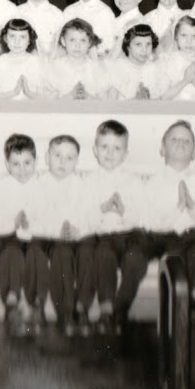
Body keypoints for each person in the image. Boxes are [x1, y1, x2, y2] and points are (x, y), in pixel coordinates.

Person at [137, 121, 195, 304]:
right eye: (174, 140)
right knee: (174, 256)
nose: (181, 143)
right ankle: (176, 305)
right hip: (166, 238)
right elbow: (148, 223)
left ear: (194, 152)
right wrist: (179, 208)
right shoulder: (152, 183)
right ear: (162, 149)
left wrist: (192, 207)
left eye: (186, 141)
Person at [80, 121, 147, 328]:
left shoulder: (134, 182)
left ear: (125, 154)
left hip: (130, 234)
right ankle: (107, 309)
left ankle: (121, 307)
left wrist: (123, 211)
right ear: (95, 150)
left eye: (117, 148)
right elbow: (85, 218)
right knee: (103, 255)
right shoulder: (88, 182)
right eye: (104, 147)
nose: (109, 153)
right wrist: (103, 209)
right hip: (104, 236)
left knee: (135, 259)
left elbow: (143, 217)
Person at [0, 134, 48, 335]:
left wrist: (33, 223)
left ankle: (36, 303)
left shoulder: (42, 188)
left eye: (27, 163)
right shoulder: (0, 189)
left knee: (37, 252)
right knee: (11, 252)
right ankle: (11, 302)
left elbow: (50, 216)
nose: (22, 169)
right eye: (16, 164)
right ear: (7, 165)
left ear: (36, 161)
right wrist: (12, 222)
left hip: (34, 237)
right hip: (6, 237)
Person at [0, 18, 46, 100]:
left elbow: (45, 97)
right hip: (4, 107)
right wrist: (13, 92)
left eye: (23, 37)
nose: (17, 42)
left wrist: (28, 92)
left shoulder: (37, 62)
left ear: (29, 40)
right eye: (12, 36)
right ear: (5, 38)